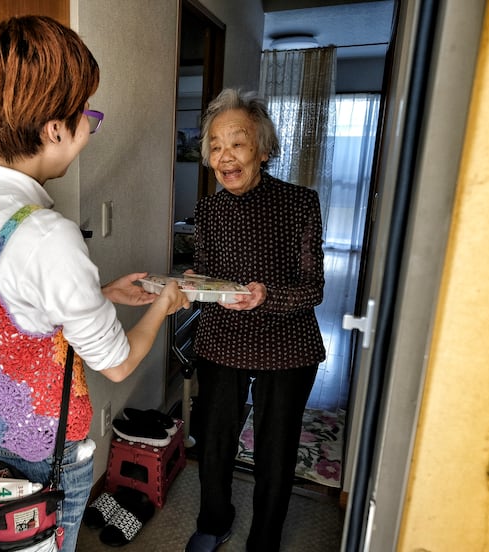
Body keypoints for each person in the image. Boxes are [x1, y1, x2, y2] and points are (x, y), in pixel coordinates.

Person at [0, 15, 189, 552]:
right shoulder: (47, 235)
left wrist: (100, 297)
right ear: (55, 129)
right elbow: (119, 362)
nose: (88, 130)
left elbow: (5, 313)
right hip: (41, 461)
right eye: (88, 118)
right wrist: (162, 306)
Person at [184, 88, 326, 552]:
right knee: (214, 438)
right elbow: (209, 273)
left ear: (263, 150)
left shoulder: (300, 203)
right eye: (216, 146)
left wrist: (266, 296)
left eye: (238, 143)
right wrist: (196, 285)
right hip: (224, 336)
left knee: (276, 448)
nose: (226, 156)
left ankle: (264, 537)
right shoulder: (209, 209)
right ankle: (214, 519)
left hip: (288, 340)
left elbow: (313, 288)